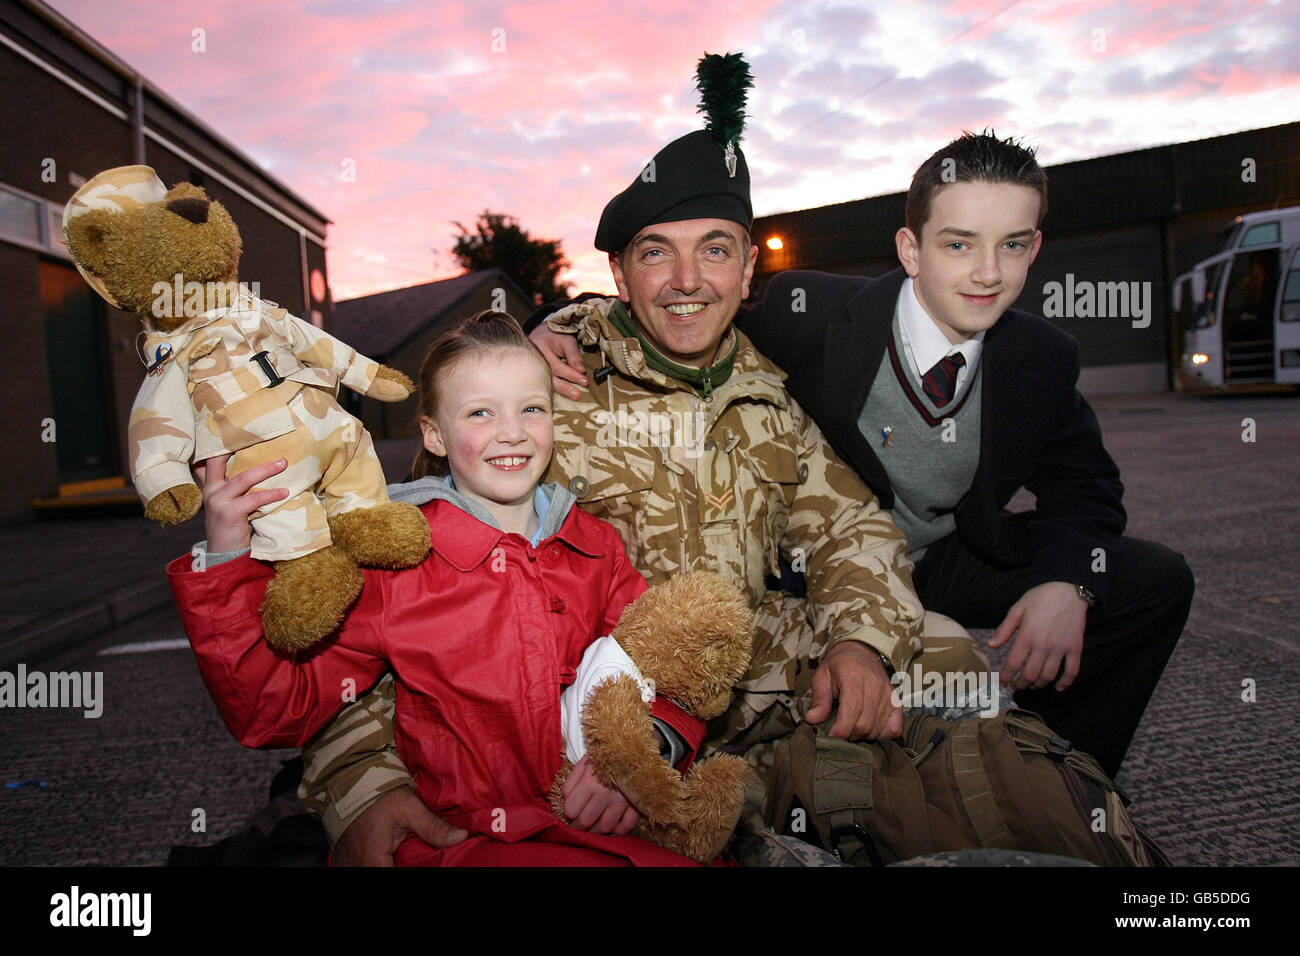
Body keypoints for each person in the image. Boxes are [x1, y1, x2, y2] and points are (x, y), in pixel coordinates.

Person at [292, 54, 991, 866]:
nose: (688, 281)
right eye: (656, 253)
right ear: (619, 273)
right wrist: (364, 786)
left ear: (749, 264)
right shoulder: (543, 389)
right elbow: (396, 596)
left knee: (947, 659)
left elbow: (851, 530)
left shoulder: (768, 399)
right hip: (577, 732)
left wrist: (859, 646)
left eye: (716, 250)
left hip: (738, 701)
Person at [731, 131, 1193, 778]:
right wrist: (562, 323)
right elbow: (682, 318)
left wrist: (1069, 582)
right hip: (823, 567)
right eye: (959, 244)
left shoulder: (1041, 359)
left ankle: (1053, 782)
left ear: (1034, 248)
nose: (988, 273)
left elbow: (1087, 489)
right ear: (911, 249)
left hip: (942, 558)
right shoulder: (808, 313)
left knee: (1153, 579)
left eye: (1011, 245)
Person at [169, 311, 702, 866]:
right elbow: (273, 709)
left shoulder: (597, 547)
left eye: (531, 409)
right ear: (434, 434)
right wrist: (227, 551)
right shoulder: (397, 561)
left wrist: (646, 752)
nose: (513, 432)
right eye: (479, 413)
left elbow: (670, 664)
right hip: (469, 842)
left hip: (603, 825)